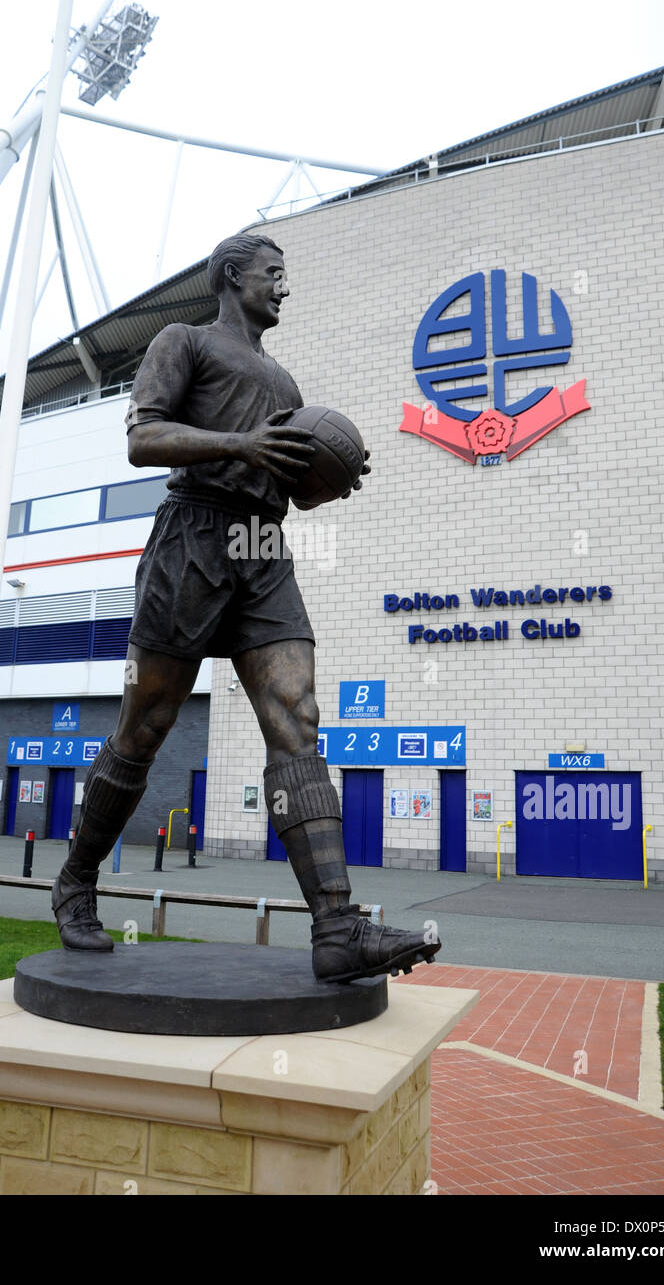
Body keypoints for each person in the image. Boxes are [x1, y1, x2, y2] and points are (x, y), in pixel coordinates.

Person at [51, 232, 441, 982]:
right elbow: (143, 439)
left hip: (264, 547)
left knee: (297, 718)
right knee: (148, 725)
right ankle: (75, 882)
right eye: (273, 273)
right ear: (233, 276)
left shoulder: (286, 384)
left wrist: (333, 474)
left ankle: (336, 928)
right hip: (191, 536)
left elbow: (291, 477)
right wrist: (241, 445)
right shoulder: (183, 340)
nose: (284, 287)